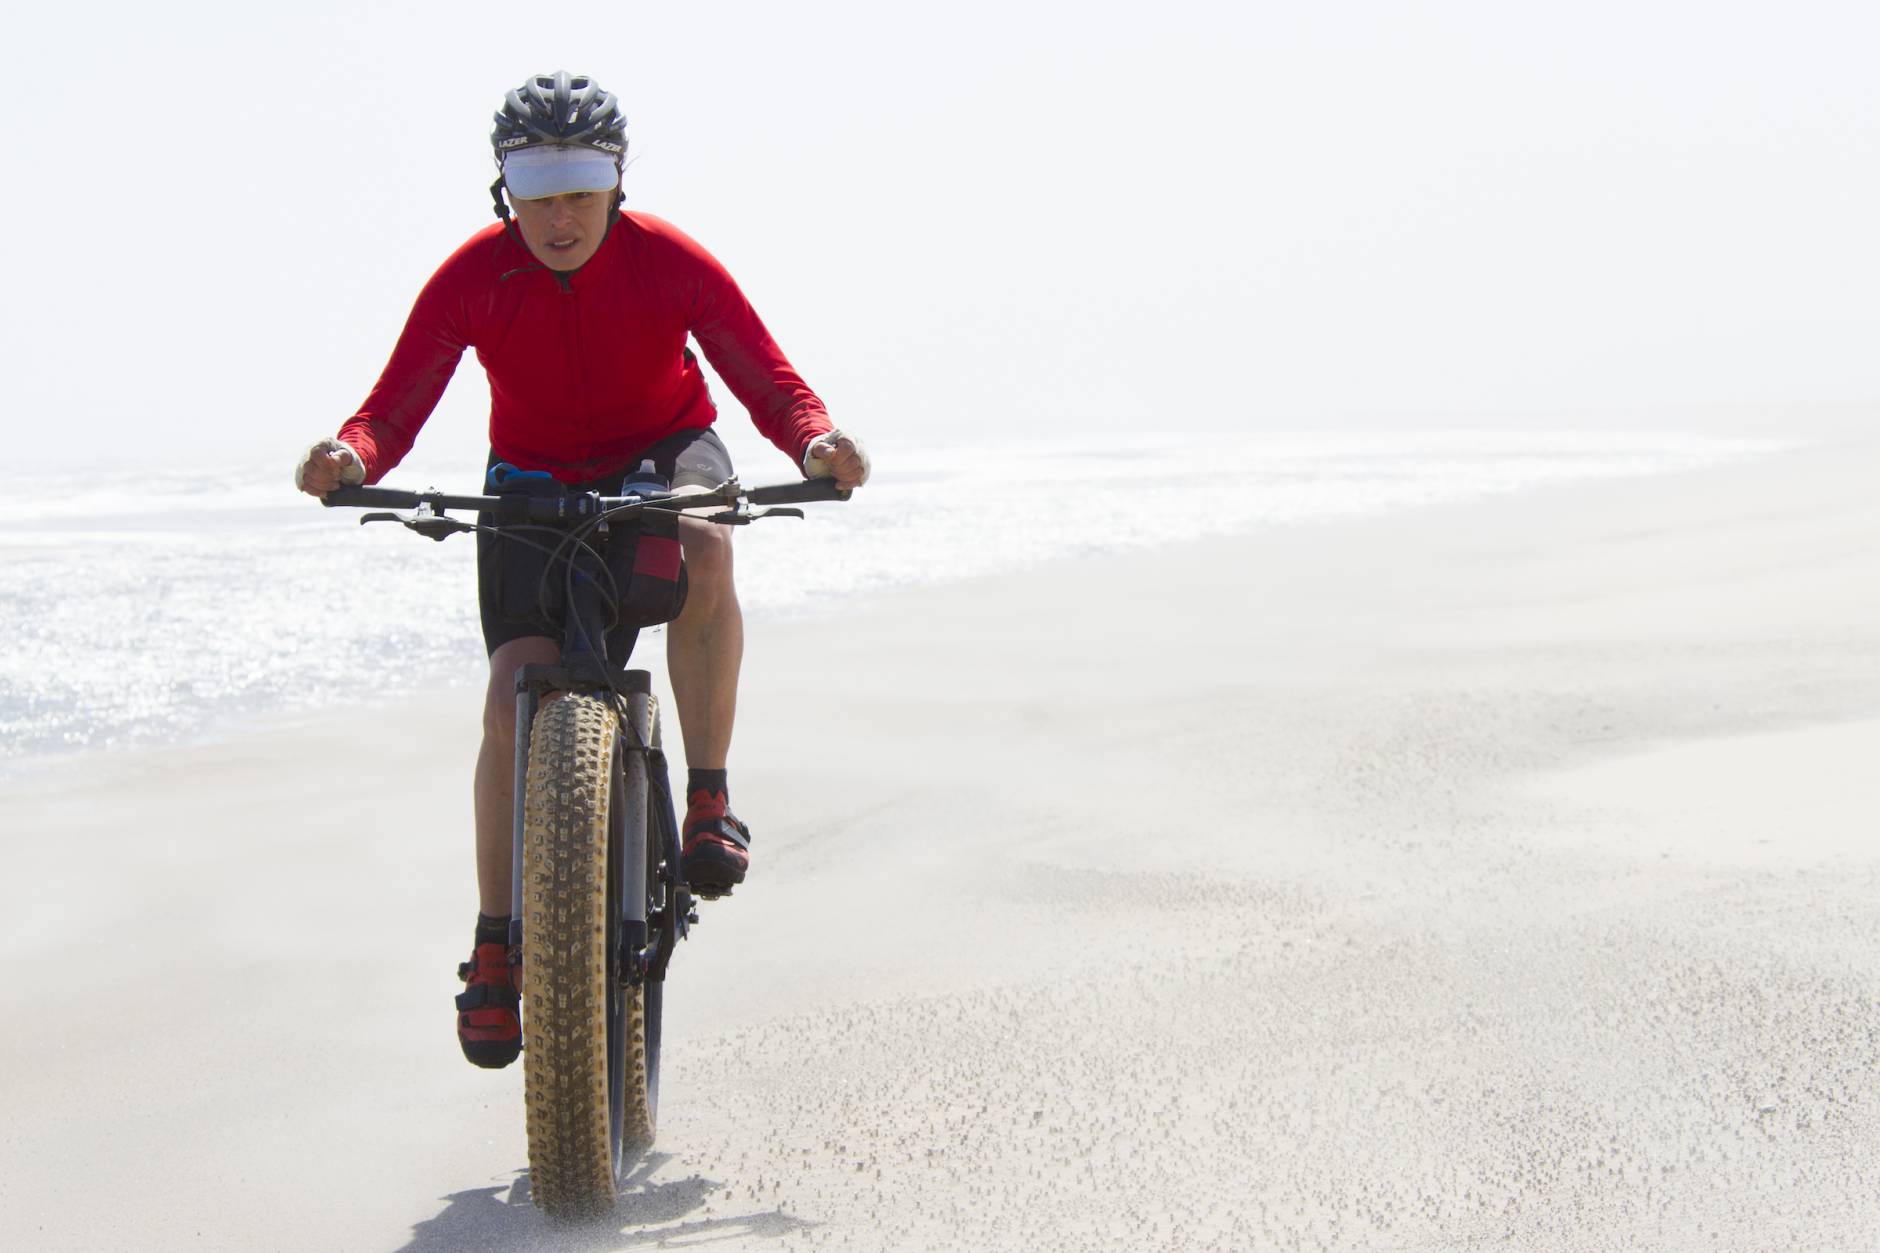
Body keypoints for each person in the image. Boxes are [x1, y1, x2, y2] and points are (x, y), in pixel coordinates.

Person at [294, 71, 869, 1069]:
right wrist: (349, 456)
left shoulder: (669, 261)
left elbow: (767, 377)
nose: (557, 217)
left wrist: (815, 443)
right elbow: (391, 407)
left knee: (703, 541)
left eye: (577, 191)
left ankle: (706, 795)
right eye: (535, 192)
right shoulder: (474, 274)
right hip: (529, 480)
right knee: (514, 689)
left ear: (614, 183)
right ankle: (496, 941)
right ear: (503, 189)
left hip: (664, 453)